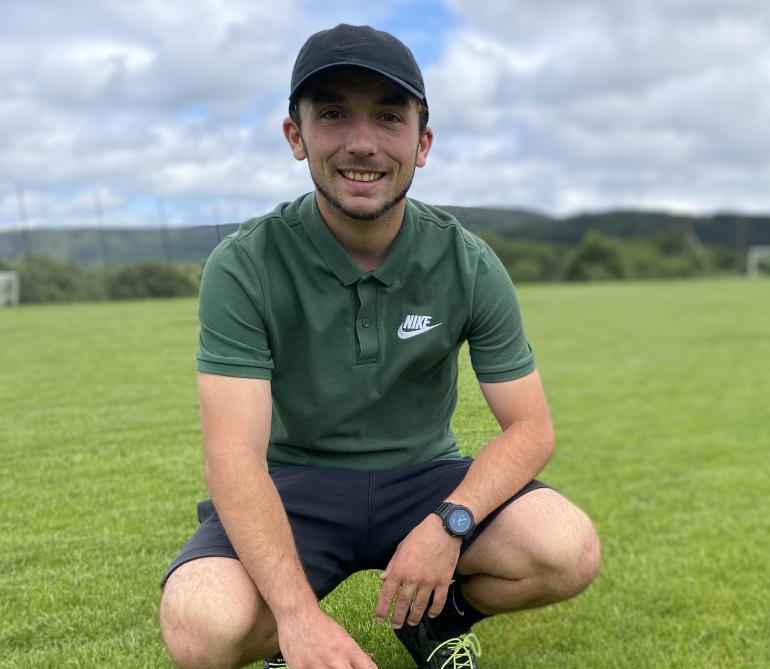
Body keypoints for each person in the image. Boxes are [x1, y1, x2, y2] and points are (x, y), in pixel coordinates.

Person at [157, 24, 601, 669]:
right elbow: (233, 458)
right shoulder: (243, 264)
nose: (361, 143)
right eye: (333, 114)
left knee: (568, 548)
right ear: (295, 136)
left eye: (388, 117)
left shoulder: (468, 261)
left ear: (422, 143)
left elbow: (530, 428)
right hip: (295, 488)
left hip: (423, 482)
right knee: (202, 627)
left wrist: (450, 523)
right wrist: (296, 617)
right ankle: (298, 642)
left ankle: (434, 622)